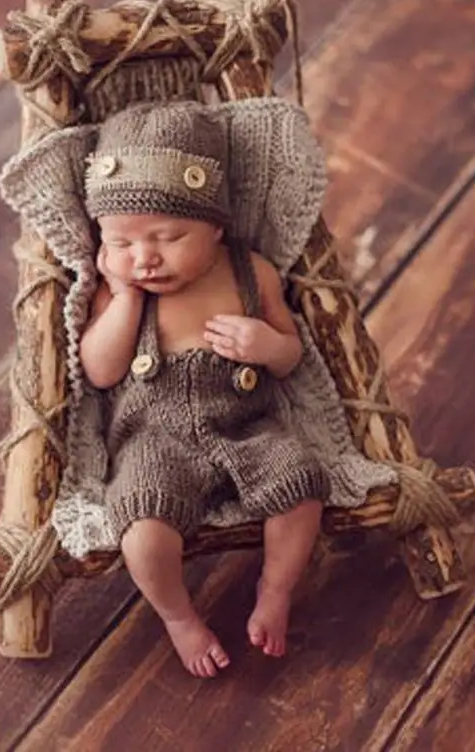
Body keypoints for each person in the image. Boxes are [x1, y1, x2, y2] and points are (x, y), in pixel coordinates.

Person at [78, 101, 331, 678]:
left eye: (168, 236)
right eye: (120, 241)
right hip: (154, 438)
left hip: (246, 423)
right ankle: (178, 616)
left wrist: (265, 344)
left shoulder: (250, 272)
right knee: (142, 531)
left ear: (215, 227)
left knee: (301, 484)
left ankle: (275, 588)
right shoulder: (118, 293)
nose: (143, 257)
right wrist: (126, 301)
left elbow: (291, 356)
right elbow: (100, 372)